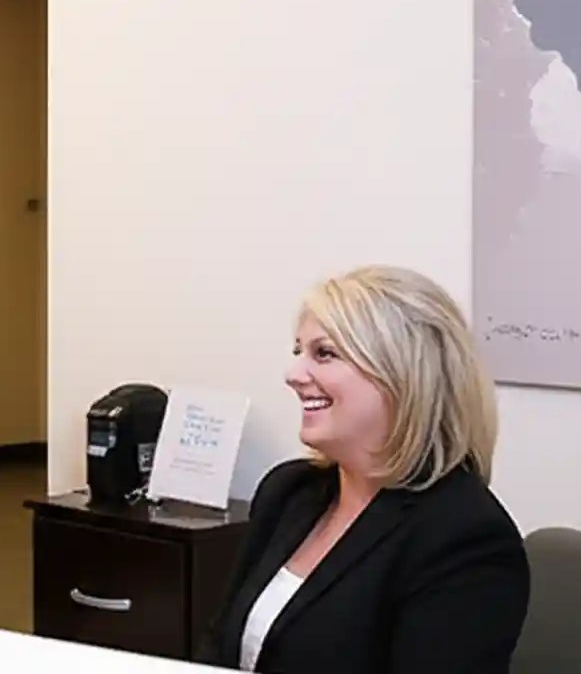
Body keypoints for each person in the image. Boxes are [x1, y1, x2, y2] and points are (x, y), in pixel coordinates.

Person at [195, 266, 529, 673]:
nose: (293, 375)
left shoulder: (463, 537)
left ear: (401, 374)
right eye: (299, 351)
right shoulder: (288, 492)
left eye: (324, 353)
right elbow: (218, 648)